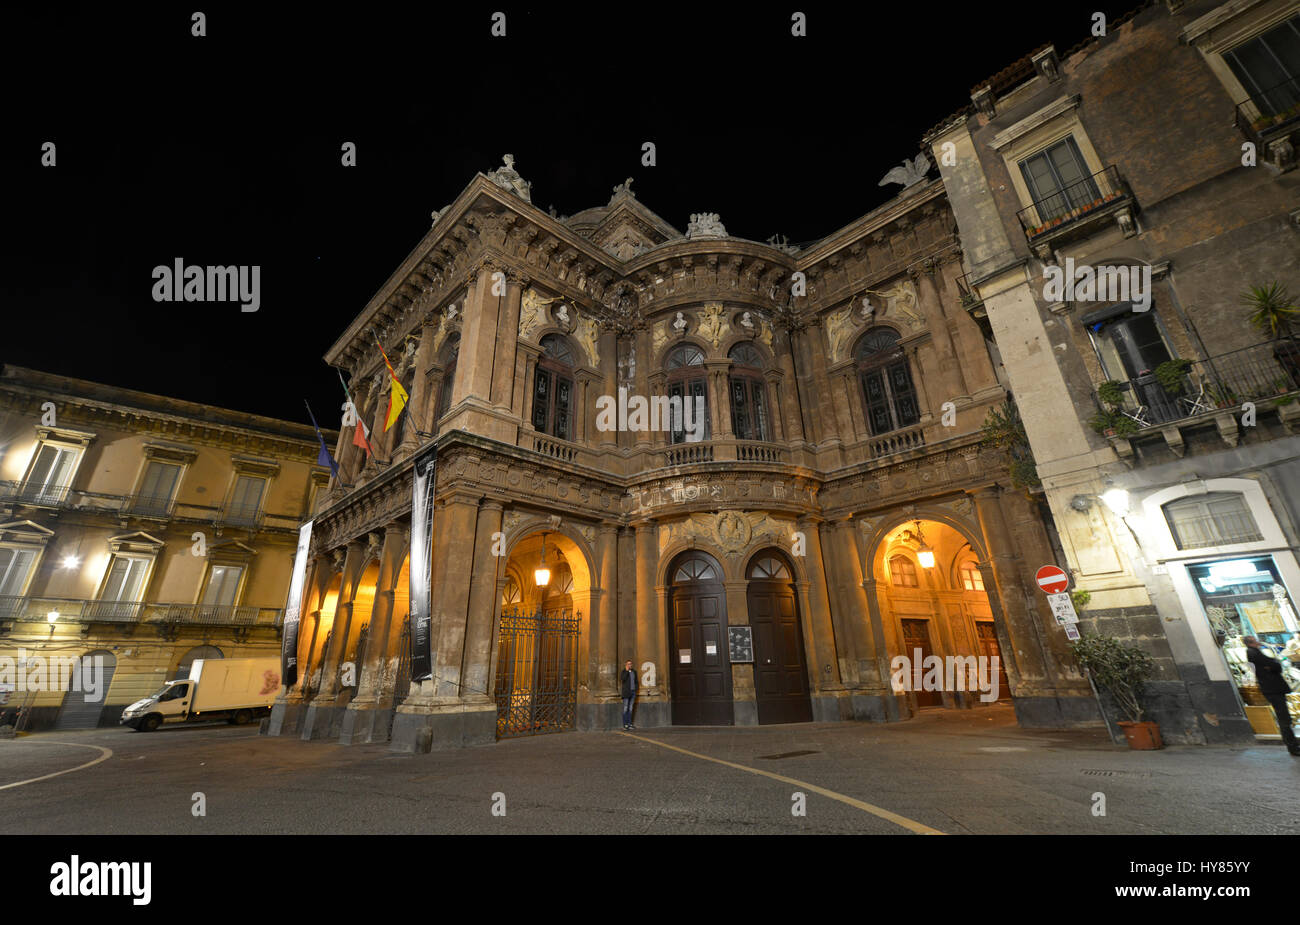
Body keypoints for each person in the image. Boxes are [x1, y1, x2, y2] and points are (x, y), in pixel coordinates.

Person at [1245, 636, 1299, 756]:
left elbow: (1273, 665)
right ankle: (1292, 746)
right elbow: (1274, 665)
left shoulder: (1255, 653)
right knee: (1284, 719)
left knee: (1285, 718)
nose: (1258, 641)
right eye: (1255, 640)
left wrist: (1273, 665)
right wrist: (1273, 665)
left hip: (1273, 689)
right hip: (1273, 689)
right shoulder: (1253, 653)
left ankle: (1293, 745)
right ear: (1251, 643)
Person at [620, 659, 638, 730]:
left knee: (630, 709)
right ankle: (625, 724)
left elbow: (636, 681)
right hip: (626, 693)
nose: (629, 665)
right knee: (625, 708)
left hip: (633, 692)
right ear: (626, 665)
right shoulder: (624, 672)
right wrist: (627, 671)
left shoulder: (634, 672)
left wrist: (636, 689)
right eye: (628, 664)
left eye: (630, 664)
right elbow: (623, 679)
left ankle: (630, 724)